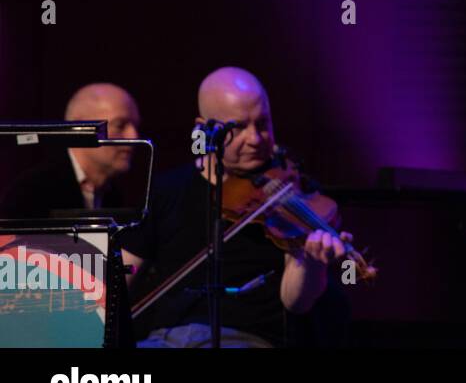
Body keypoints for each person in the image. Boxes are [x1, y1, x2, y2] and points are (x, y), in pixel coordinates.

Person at [118, 67, 349, 347]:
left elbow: (296, 303)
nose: (255, 139)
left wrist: (312, 263)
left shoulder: (295, 194)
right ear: (204, 128)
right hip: (164, 340)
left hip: (246, 340)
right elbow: (121, 279)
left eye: (263, 123)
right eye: (238, 127)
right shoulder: (166, 190)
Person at [0, 83, 140, 218]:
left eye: (135, 126)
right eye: (120, 125)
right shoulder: (33, 191)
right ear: (79, 128)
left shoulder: (114, 195)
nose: (133, 137)